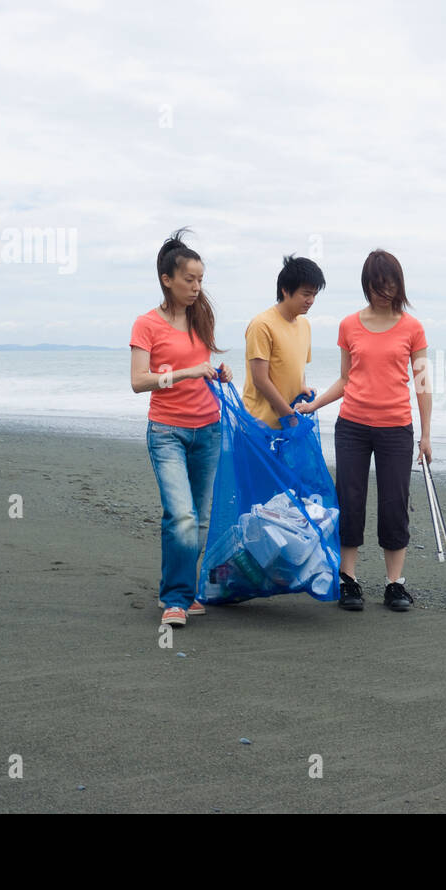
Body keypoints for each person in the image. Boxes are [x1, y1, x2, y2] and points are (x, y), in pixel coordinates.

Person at [297, 249, 431, 612]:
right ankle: (349, 580)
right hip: (353, 426)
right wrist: (314, 404)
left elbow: (421, 384)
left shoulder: (412, 327)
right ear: (366, 287)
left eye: (388, 285)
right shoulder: (349, 325)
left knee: (394, 503)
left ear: (398, 285)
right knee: (350, 500)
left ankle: (394, 584)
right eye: (375, 286)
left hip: (396, 428)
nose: (382, 293)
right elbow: (346, 378)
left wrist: (426, 434)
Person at [129, 228, 231, 629]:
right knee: (181, 516)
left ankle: (182, 591)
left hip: (208, 428)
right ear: (166, 280)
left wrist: (215, 375)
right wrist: (188, 372)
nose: (196, 287)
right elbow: (139, 381)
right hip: (167, 432)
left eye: (201, 279)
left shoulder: (201, 318)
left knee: (200, 518)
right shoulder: (146, 325)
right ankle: (174, 598)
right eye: (189, 279)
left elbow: (201, 369)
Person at [243, 255, 325, 428]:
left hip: (286, 424)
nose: (311, 300)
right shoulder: (262, 325)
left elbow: (298, 367)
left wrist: (302, 386)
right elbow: (260, 380)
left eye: (314, 295)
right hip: (258, 424)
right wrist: (289, 416)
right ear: (285, 290)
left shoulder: (304, 324)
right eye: (306, 294)